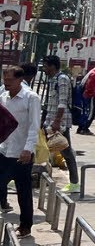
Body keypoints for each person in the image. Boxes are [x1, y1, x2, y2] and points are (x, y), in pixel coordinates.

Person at [0, 67, 39, 237]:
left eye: (9, 81)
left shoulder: (31, 98)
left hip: (21, 153)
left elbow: (34, 126)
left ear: (20, 79)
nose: (6, 83)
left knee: (23, 191)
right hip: (3, 149)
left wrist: (28, 149)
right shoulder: (3, 95)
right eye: (4, 80)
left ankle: (25, 226)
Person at [40, 56, 79, 193]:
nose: (44, 69)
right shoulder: (52, 80)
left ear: (52, 66)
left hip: (59, 123)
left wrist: (57, 122)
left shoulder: (62, 79)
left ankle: (74, 184)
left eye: (45, 66)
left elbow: (62, 102)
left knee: (66, 152)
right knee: (41, 148)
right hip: (50, 121)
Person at [76, 62, 95, 135]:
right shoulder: (94, 74)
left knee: (86, 111)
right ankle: (84, 128)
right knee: (91, 112)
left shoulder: (92, 72)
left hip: (87, 95)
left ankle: (81, 128)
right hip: (90, 95)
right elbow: (90, 86)